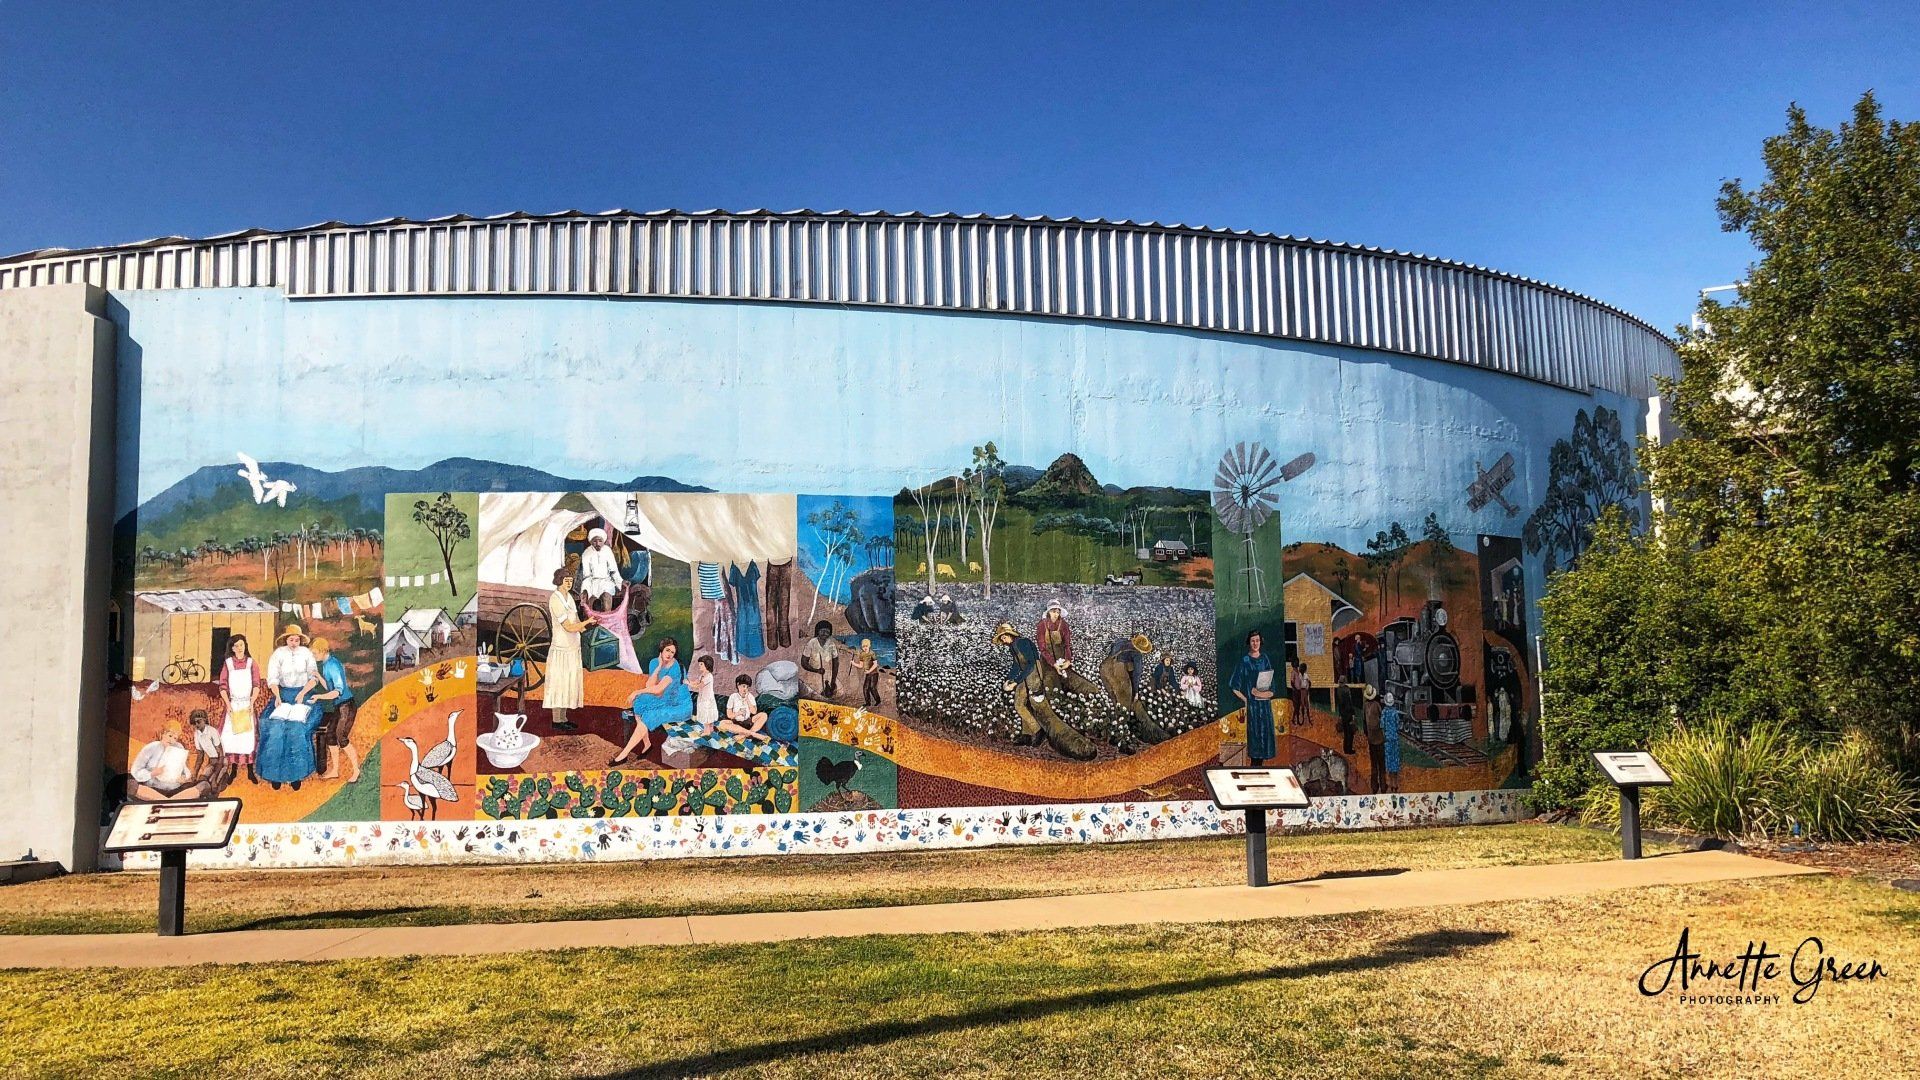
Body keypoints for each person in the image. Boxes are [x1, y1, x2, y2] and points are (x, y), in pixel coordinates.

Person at [994, 622, 1096, 761]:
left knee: (1036, 703)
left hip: (1034, 672)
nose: (1003, 641)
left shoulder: (1022, 643)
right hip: (1025, 673)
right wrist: (1010, 679)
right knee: (1019, 702)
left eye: (1003, 638)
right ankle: (1028, 733)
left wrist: (1017, 681)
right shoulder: (1012, 647)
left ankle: (1037, 732)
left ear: (1008, 635)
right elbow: (1017, 665)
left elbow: (1031, 663)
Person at [609, 638, 692, 765]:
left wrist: (636, 691)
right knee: (639, 702)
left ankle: (624, 754)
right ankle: (647, 744)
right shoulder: (654, 662)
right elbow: (649, 686)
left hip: (679, 705)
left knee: (649, 714)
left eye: (672, 652)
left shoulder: (676, 667)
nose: (669, 654)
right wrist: (658, 667)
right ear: (661, 650)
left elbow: (658, 690)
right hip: (665, 698)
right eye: (667, 650)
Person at [1098, 632, 1171, 747]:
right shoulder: (1137, 654)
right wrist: (1135, 692)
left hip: (1104, 668)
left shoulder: (1122, 641)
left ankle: (1112, 734)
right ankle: (1121, 739)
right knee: (1124, 705)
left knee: (1115, 701)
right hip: (1118, 671)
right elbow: (1137, 674)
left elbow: (1111, 648)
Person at [304, 637, 360, 784]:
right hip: (339, 706)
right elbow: (329, 687)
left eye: (315, 653)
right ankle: (335, 770)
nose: (314, 656)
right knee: (330, 736)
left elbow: (337, 692)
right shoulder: (326, 664)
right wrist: (318, 676)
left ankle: (356, 770)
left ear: (323, 651)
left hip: (346, 706)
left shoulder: (333, 665)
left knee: (341, 737)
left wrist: (318, 696)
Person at [546, 568, 591, 731]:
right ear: (559, 580)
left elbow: (576, 619)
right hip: (561, 647)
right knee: (559, 683)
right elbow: (569, 627)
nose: (569, 583)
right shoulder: (555, 599)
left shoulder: (569, 597)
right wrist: (585, 624)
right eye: (566, 580)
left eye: (571, 581)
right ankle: (556, 720)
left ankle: (563, 718)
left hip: (573, 647)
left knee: (568, 683)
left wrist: (588, 631)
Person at [217, 634, 263, 784]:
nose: (239, 648)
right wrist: (228, 705)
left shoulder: (251, 663)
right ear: (232, 648)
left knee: (248, 738)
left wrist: (251, 703)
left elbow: (256, 685)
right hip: (233, 705)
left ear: (245, 646)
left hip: (247, 705)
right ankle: (233, 770)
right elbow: (222, 686)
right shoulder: (228, 664)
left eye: (241, 645)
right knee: (233, 738)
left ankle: (250, 771)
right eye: (236, 645)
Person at [1229, 630, 1278, 765]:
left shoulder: (1265, 659)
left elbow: (1272, 688)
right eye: (1252, 641)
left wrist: (1260, 694)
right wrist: (1247, 699)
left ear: (1260, 641)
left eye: (1257, 640)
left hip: (1265, 706)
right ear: (1249, 643)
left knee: (1264, 743)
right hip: (1253, 708)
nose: (1255, 643)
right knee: (1255, 743)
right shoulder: (1244, 661)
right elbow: (1234, 686)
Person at [128, 721, 207, 800]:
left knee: (204, 786)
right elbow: (135, 771)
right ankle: (167, 801)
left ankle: (168, 801)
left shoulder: (178, 747)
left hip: (177, 791)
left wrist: (184, 777)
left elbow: (185, 770)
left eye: (175, 738)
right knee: (129, 784)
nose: (172, 740)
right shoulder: (151, 747)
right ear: (162, 734)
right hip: (152, 790)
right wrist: (152, 773)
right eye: (170, 736)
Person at [265, 625, 318, 712]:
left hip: (304, 692)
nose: (294, 643)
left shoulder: (306, 653)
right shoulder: (278, 653)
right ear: (286, 639)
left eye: (297, 640)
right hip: (283, 693)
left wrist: (302, 693)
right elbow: (273, 678)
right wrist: (278, 697)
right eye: (291, 640)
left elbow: (314, 677)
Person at [579, 527, 623, 612]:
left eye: (600, 541)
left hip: (606, 581)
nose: (597, 543)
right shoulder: (586, 553)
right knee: (590, 603)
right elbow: (586, 575)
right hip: (592, 582)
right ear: (591, 541)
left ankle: (606, 620)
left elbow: (613, 570)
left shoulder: (607, 551)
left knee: (606, 597)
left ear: (603, 541)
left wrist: (620, 582)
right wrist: (585, 589)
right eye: (595, 541)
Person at [721, 673, 772, 742]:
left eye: (747, 687)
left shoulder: (750, 696)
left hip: (748, 721)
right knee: (722, 723)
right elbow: (729, 715)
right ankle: (754, 734)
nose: (745, 689)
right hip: (736, 723)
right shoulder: (733, 696)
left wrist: (747, 699)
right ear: (738, 685)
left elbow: (754, 712)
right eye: (743, 686)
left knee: (763, 715)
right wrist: (738, 713)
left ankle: (743, 735)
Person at [800, 620, 840, 699]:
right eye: (822, 631)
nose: (824, 633)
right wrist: (816, 670)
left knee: (838, 693)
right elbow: (804, 663)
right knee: (815, 695)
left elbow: (836, 663)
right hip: (813, 673)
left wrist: (833, 680)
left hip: (828, 674)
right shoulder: (812, 643)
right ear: (817, 631)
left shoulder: (831, 644)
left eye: (827, 631)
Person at [1362, 684, 1388, 793]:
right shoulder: (1377, 705)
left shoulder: (1365, 706)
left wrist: (1367, 734)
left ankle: (1374, 786)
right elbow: (1382, 719)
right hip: (1379, 738)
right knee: (1382, 764)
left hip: (1371, 738)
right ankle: (1383, 786)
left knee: (1374, 764)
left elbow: (1364, 722)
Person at [1034, 601, 1073, 671]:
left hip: (1062, 659)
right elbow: (1042, 649)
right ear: (1049, 612)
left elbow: (1067, 645)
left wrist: (1068, 660)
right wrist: (1053, 663)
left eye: (1058, 612)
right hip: (1047, 660)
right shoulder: (1041, 625)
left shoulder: (1064, 625)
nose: (1056, 615)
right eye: (1053, 612)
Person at [687, 654, 720, 734]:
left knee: (707, 715)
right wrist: (689, 681)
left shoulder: (709, 676)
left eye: (701, 664)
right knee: (707, 714)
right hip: (702, 698)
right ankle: (711, 729)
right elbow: (696, 682)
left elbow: (699, 685)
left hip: (707, 700)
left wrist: (689, 684)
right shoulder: (702, 675)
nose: (699, 666)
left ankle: (707, 731)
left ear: (707, 665)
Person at [1379, 691, 1405, 793]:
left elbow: (1381, 725)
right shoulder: (1395, 713)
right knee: (1395, 761)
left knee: (1389, 763)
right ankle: (1396, 784)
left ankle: (1391, 784)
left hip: (1387, 740)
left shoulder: (1384, 712)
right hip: (1395, 739)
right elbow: (1398, 725)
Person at [853, 639, 882, 707]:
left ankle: (878, 700)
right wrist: (854, 663)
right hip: (868, 674)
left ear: (869, 646)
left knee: (872, 687)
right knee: (865, 688)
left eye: (866, 646)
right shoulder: (862, 654)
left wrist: (869, 671)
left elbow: (875, 664)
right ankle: (868, 702)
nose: (865, 648)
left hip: (874, 673)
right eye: (863, 646)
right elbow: (861, 665)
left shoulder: (872, 653)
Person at [1290, 659, 1313, 729]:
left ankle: (1307, 719)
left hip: (1304, 691)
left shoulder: (1304, 675)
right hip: (1299, 691)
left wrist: (1308, 688)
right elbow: (1292, 682)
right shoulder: (1296, 673)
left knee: (1306, 705)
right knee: (1300, 705)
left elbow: (1309, 682)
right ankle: (1300, 719)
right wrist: (1295, 689)